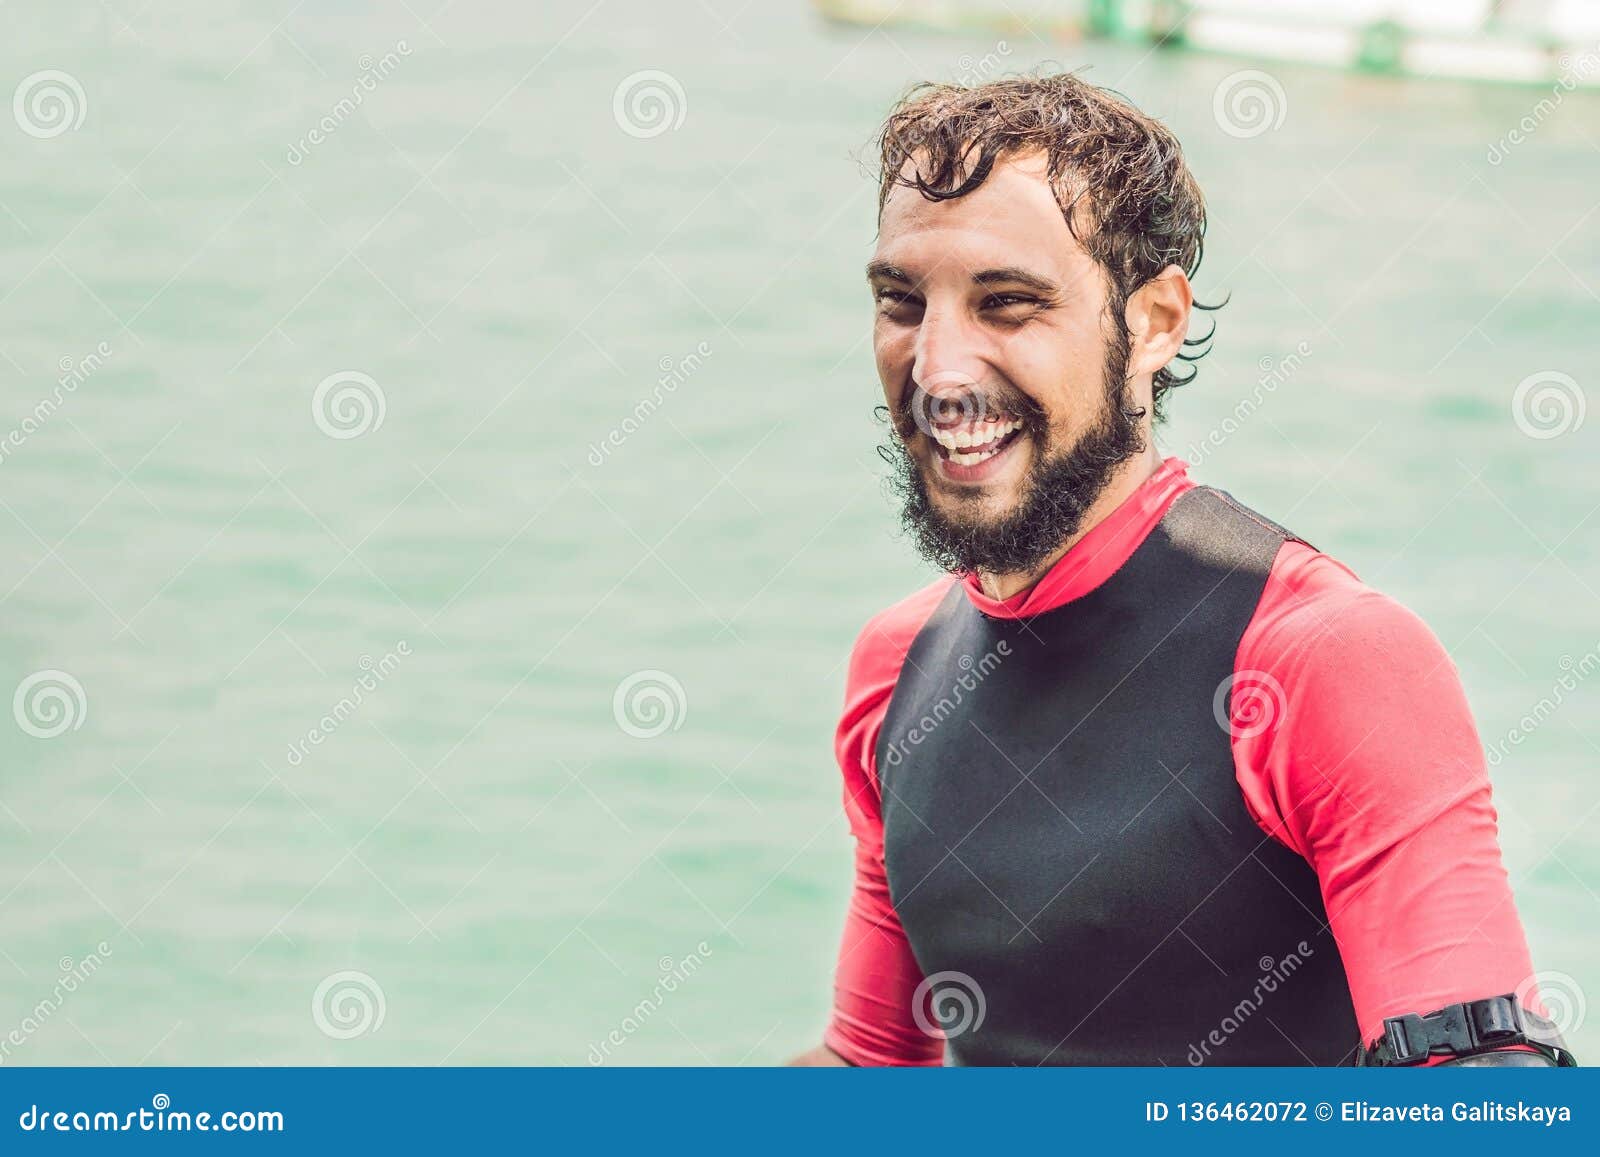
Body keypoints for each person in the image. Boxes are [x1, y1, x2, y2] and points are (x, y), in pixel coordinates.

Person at [789, 74, 1572, 1067]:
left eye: (1009, 305)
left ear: (1153, 322)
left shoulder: (1319, 654)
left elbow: (1482, 1092)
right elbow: (864, 1071)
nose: (939, 369)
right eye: (903, 303)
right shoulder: (895, 667)